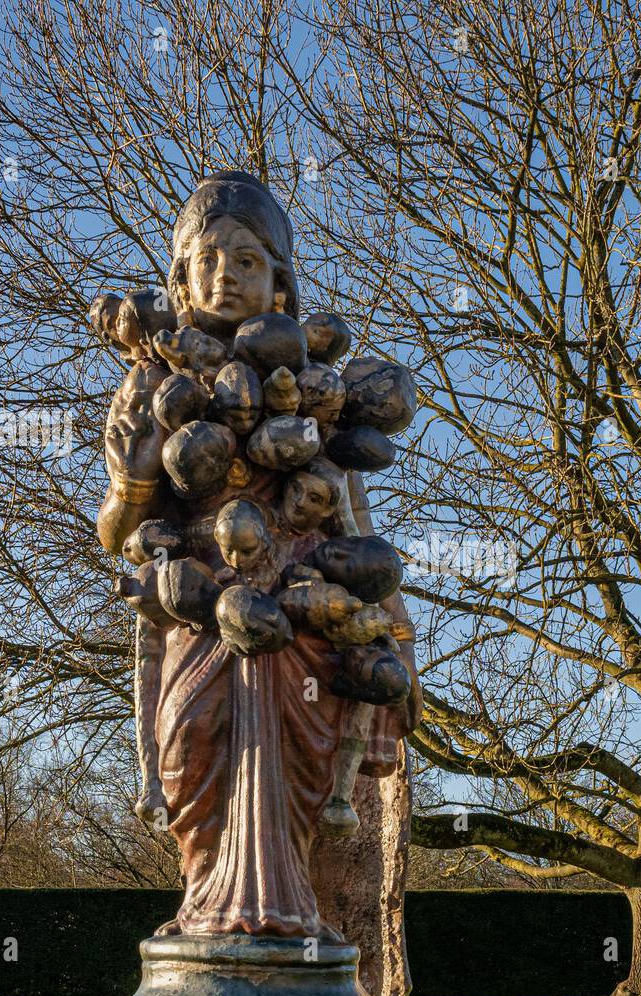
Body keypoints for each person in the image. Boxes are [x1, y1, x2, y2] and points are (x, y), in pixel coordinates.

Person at [97, 171, 418, 937]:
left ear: (279, 286)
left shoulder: (309, 385)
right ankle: (208, 911)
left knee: (302, 754)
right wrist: (135, 479)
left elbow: (350, 516)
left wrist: (389, 627)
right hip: (195, 600)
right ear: (181, 280)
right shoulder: (153, 381)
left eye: (247, 261)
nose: (226, 276)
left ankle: (290, 917)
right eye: (208, 260)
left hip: (300, 608)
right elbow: (117, 531)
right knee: (186, 744)